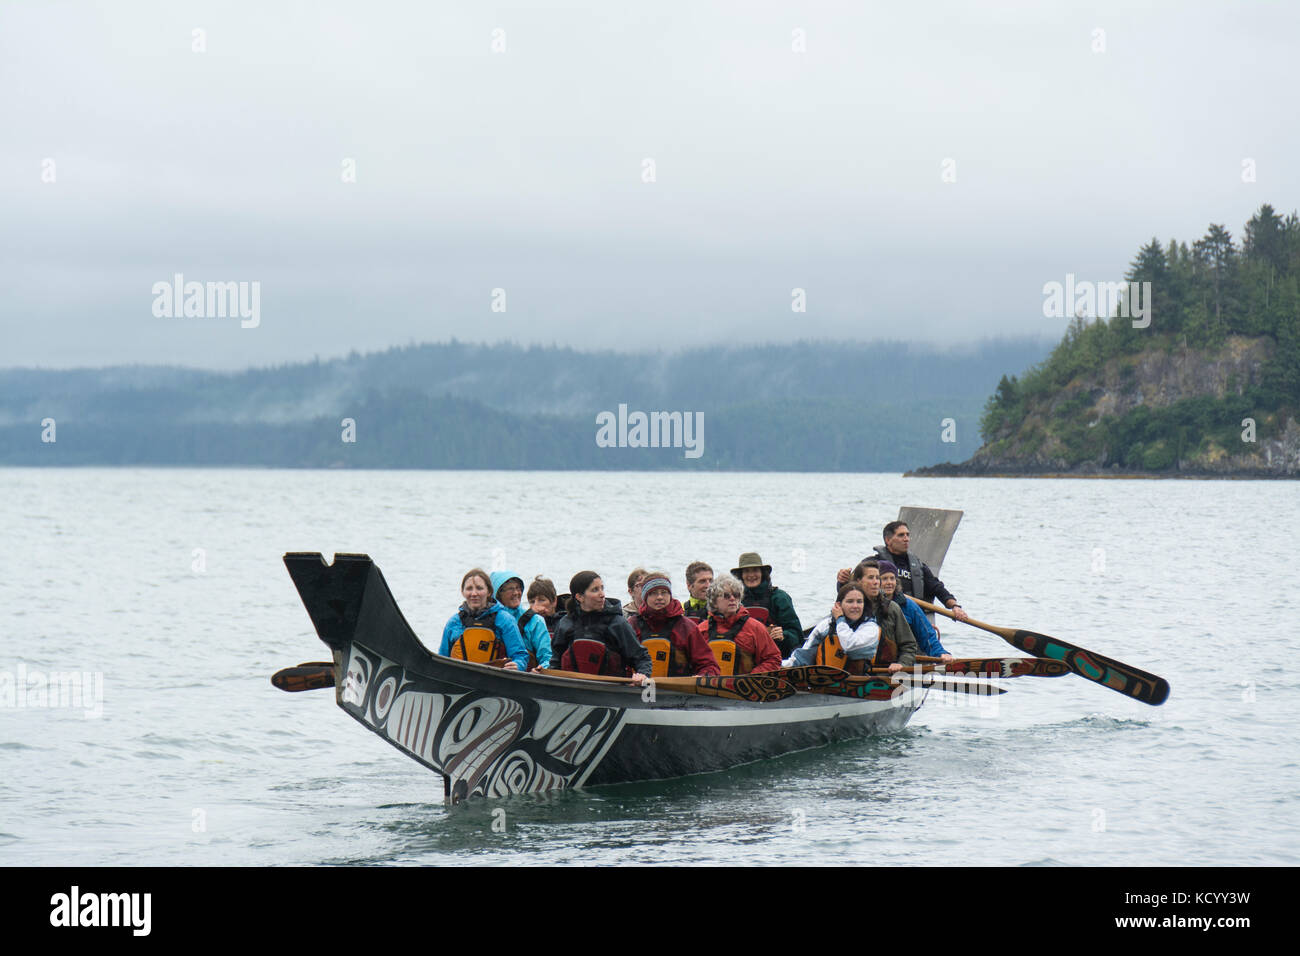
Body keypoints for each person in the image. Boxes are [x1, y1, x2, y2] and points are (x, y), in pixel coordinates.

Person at [836, 521, 968, 622]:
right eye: (901, 535)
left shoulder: (918, 566)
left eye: (908, 535)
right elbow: (849, 589)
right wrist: (842, 581)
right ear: (888, 540)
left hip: (910, 617)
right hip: (881, 616)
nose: (906, 539)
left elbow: (937, 588)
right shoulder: (872, 564)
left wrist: (955, 606)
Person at [550, 571, 652, 684]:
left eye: (602, 588)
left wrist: (642, 675)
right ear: (579, 597)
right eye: (595, 590)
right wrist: (544, 673)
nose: (602, 594)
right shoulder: (566, 623)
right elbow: (555, 661)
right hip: (572, 688)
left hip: (609, 691)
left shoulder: (617, 623)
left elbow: (642, 658)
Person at [785, 582, 901, 673]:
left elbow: (850, 645)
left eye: (859, 602)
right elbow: (806, 652)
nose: (855, 606)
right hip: (825, 680)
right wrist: (783, 666)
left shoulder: (870, 628)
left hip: (859, 680)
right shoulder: (826, 625)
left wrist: (840, 620)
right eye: (850, 601)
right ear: (839, 605)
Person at [627, 572, 720, 677]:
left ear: (670, 596)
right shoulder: (632, 624)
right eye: (653, 593)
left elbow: (709, 665)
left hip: (676, 690)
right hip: (637, 688)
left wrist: (702, 676)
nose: (660, 597)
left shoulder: (686, 627)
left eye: (664, 592)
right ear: (645, 597)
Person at [438, 568, 530, 670]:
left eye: (479, 588)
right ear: (463, 592)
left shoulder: (504, 620)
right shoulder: (454, 622)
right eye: (469, 589)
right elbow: (442, 659)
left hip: (496, 678)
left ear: (489, 592)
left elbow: (520, 656)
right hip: (461, 678)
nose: (474, 594)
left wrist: (518, 665)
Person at [697, 573, 782, 674]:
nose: (732, 598)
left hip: (744, 686)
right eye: (726, 596)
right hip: (708, 686)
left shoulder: (755, 628)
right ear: (714, 601)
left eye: (736, 595)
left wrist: (751, 679)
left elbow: (773, 659)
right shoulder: (701, 629)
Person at [731, 552, 803, 657]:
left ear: (762, 573)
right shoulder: (734, 599)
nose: (751, 575)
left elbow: (797, 635)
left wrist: (784, 635)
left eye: (755, 570)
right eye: (746, 571)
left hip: (775, 655)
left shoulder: (780, 597)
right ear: (741, 575)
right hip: (743, 656)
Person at [879, 560, 951, 661]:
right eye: (885, 579)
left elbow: (926, 633)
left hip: (904, 660)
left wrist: (941, 653)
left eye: (892, 578)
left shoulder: (909, 606)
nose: (889, 582)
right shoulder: (868, 603)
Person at [490, 570, 552, 671]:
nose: (516, 593)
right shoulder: (488, 619)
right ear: (498, 593)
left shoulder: (535, 621)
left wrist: (541, 670)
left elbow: (547, 658)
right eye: (510, 589)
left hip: (526, 677)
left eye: (518, 588)